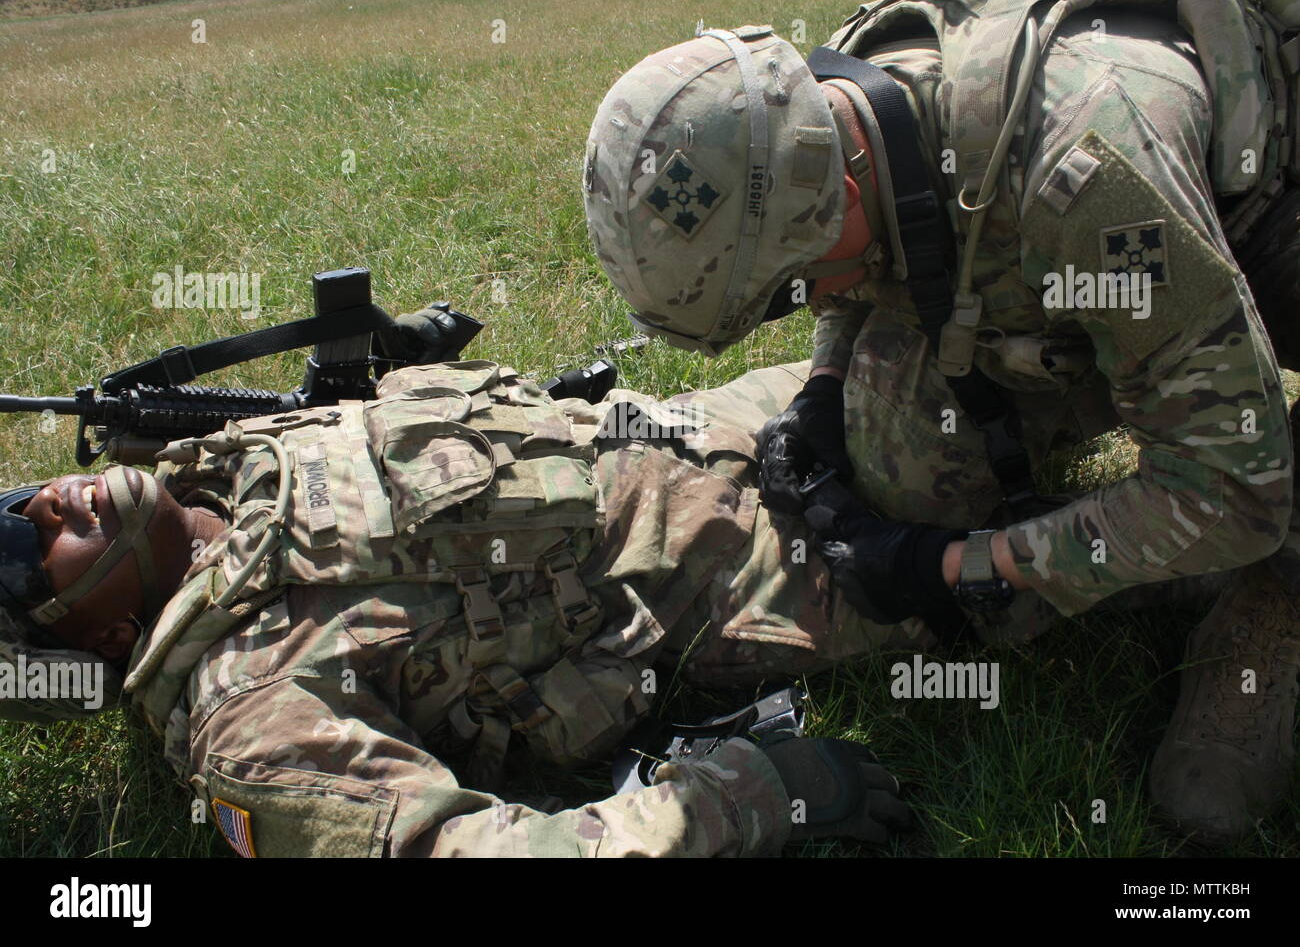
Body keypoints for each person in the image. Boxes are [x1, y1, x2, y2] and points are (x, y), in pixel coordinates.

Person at [580, 0, 1300, 844]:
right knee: (902, 458)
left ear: (842, 189)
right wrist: (823, 381)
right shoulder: (831, 97)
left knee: (1208, 768)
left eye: (792, 290)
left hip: (1252, 220)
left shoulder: (1096, 182)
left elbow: (1234, 486)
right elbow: (877, 251)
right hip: (1103, 249)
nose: (806, 302)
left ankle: (1274, 599)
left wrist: (966, 567)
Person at [0, 357, 917, 857]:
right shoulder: (247, 713)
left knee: (977, 326)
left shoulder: (231, 452)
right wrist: (747, 800)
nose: (44, 509)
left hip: (717, 418)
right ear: (110, 636)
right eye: (28, 562)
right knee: (1012, 520)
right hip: (766, 573)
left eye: (17, 506)